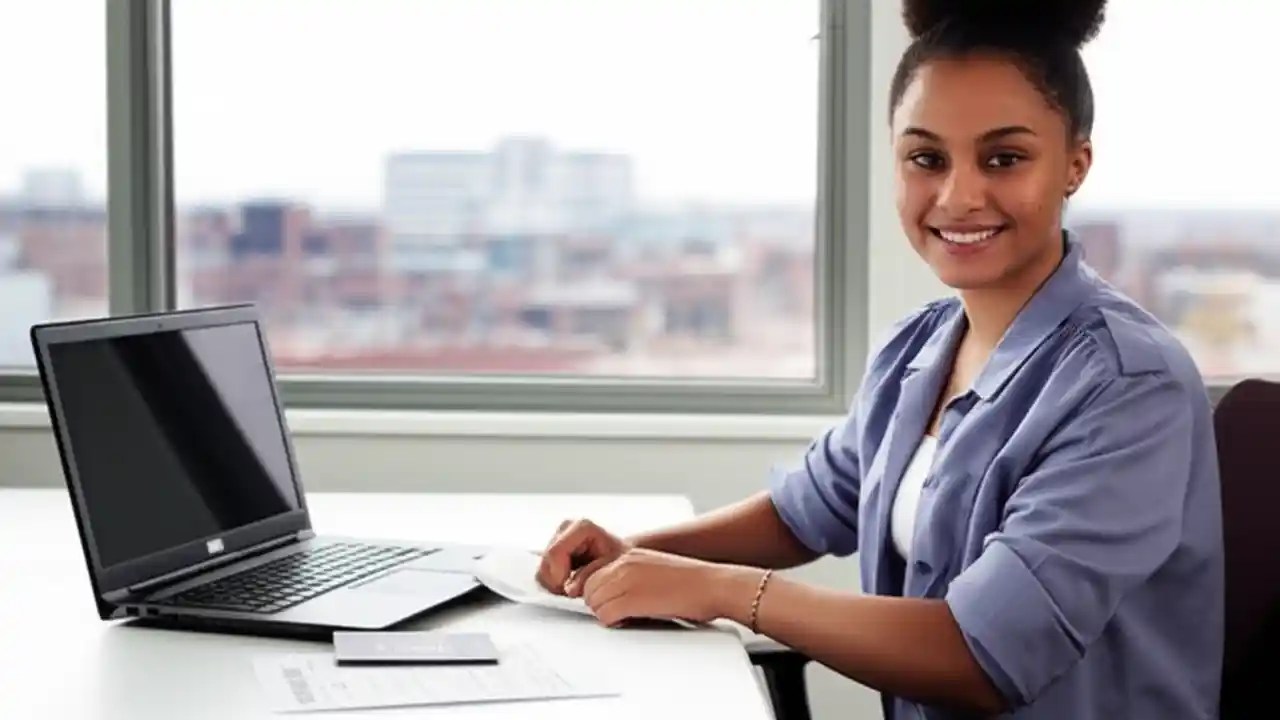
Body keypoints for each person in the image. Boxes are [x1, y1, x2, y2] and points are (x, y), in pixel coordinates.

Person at [536, 0, 1224, 717]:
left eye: (1005, 158)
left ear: (1075, 163)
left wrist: (722, 592)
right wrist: (629, 557)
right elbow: (804, 513)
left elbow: (982, 653)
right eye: (927, 158)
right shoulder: (917, 349)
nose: (959, 196)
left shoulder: (1128, 386)